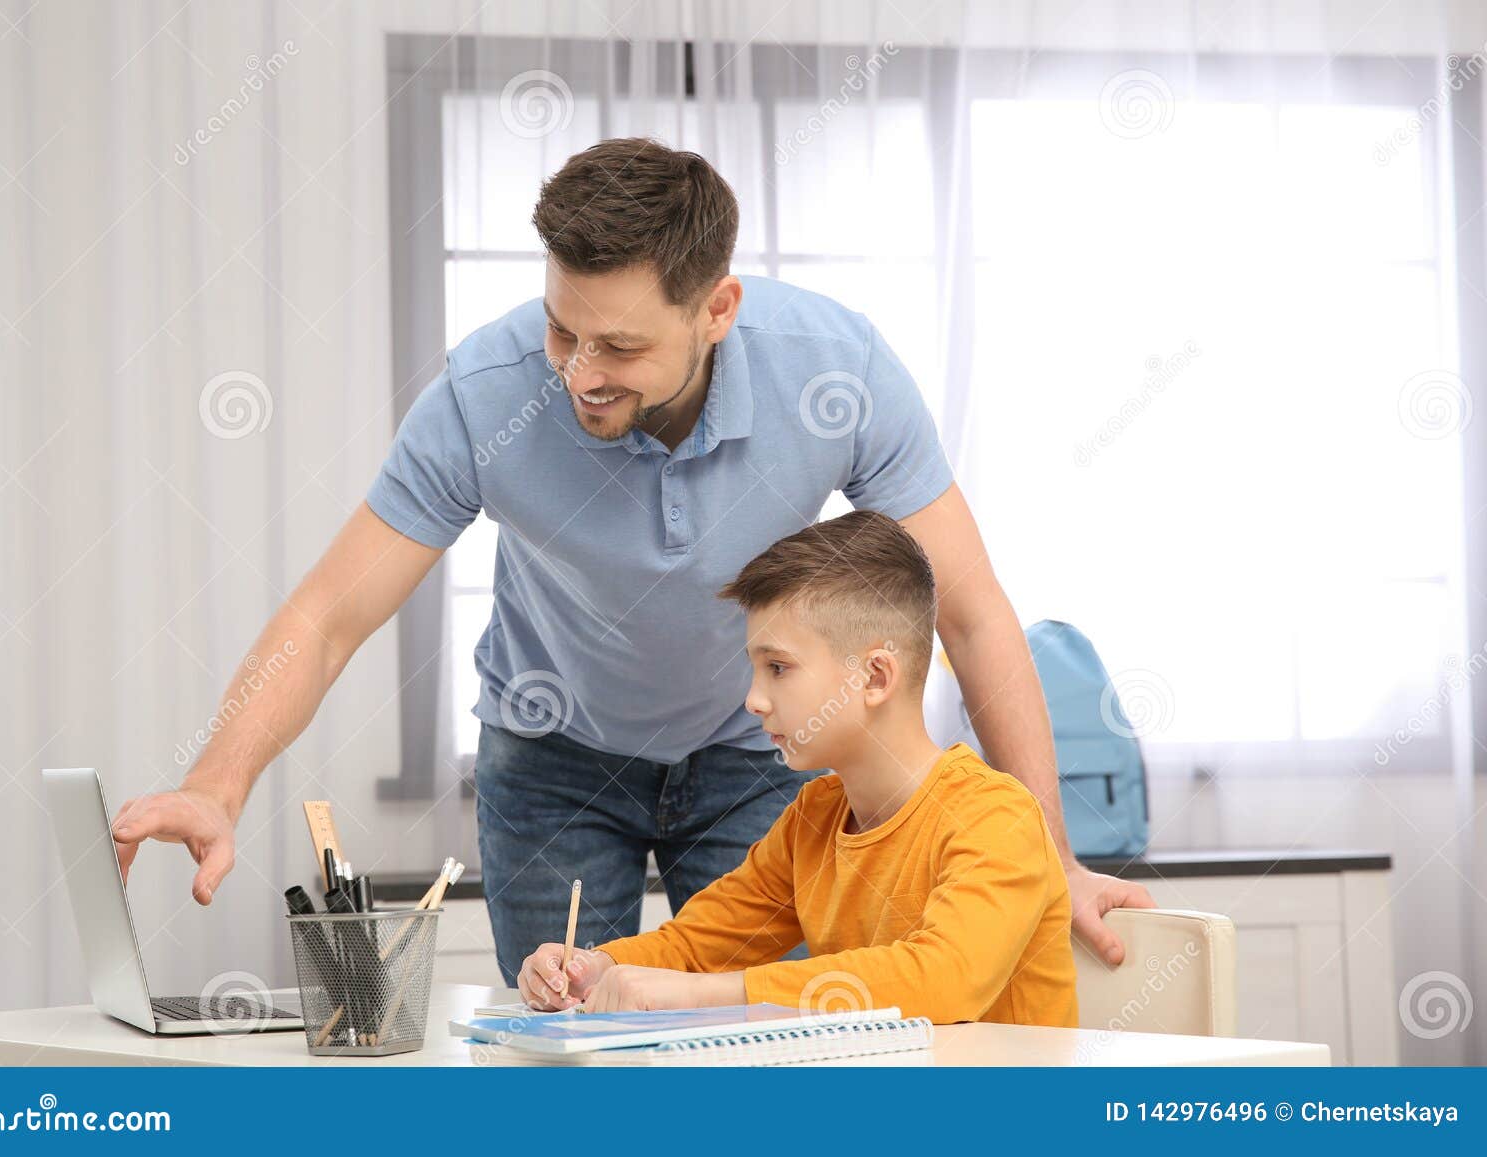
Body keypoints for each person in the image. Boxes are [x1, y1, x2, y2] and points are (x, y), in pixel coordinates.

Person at [110, 137, 1153, 981]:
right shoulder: (488, 392)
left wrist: (1051, 855)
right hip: (555, 753)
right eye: (564, 332)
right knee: (568, 1045)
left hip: (755, 755)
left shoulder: (836, 373)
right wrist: (218, 782)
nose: (577, 374)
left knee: (772, 1053)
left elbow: (966, 611)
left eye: (619, 347)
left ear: (717, 311)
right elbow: (327, 613)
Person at [517, 511, 1078, 1025]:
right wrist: (596, 965)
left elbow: (945, 978)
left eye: (779, 668)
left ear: (875, 677)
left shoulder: (996, 817)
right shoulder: (813, 817)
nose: (753, 700)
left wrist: (698, 994)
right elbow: (698, 945)